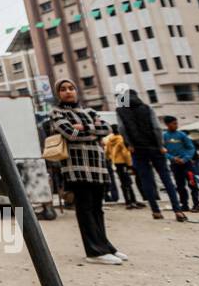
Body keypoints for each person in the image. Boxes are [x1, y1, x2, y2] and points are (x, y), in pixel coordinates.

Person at [50, 79, 126, 264]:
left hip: (97, 166)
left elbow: (106, 129)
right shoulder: (57, 112)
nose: (68, 92)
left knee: (97, 208)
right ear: (58, 93)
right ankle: (94, 252)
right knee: (85, 209)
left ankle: (105, 246)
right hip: (76, 167)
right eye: (63, 89)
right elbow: (69, 133)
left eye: (71, 88)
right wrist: (92, 130)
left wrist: (83, 128)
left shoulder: (89, 111)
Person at [115, 84, 187, 222]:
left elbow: (122, 129)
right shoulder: (147, 108)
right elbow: (156, 128)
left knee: (146, 180)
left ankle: (156, 211)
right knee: (166, 179)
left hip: (137, 150)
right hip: (155, 148)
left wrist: (129, 144)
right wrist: (160, 145)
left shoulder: (120, 111)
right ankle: (178, 211)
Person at [162, 117, 199, 213]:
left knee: (192, 183)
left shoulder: (182, 135)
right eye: (174, 123)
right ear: (167, 125)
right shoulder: (164, 136)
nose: (176, 125)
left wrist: (185, 159)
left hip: (187, 164)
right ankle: (184, 205)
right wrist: (172, 158)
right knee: (180, 186)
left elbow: (191, 148)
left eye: (176, 123)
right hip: (175, 165)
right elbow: (163, 151)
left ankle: (196, 205)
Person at [102, 124, 144, 208]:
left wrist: (110, 158)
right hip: (124, 163)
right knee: (127, 182)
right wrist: (130, 164)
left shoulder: (109, 140)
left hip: (116, 163)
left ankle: (129, 200)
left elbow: (106, 151)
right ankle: (131, 201)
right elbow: (125, 153)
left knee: (123, 182)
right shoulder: (121, 139)